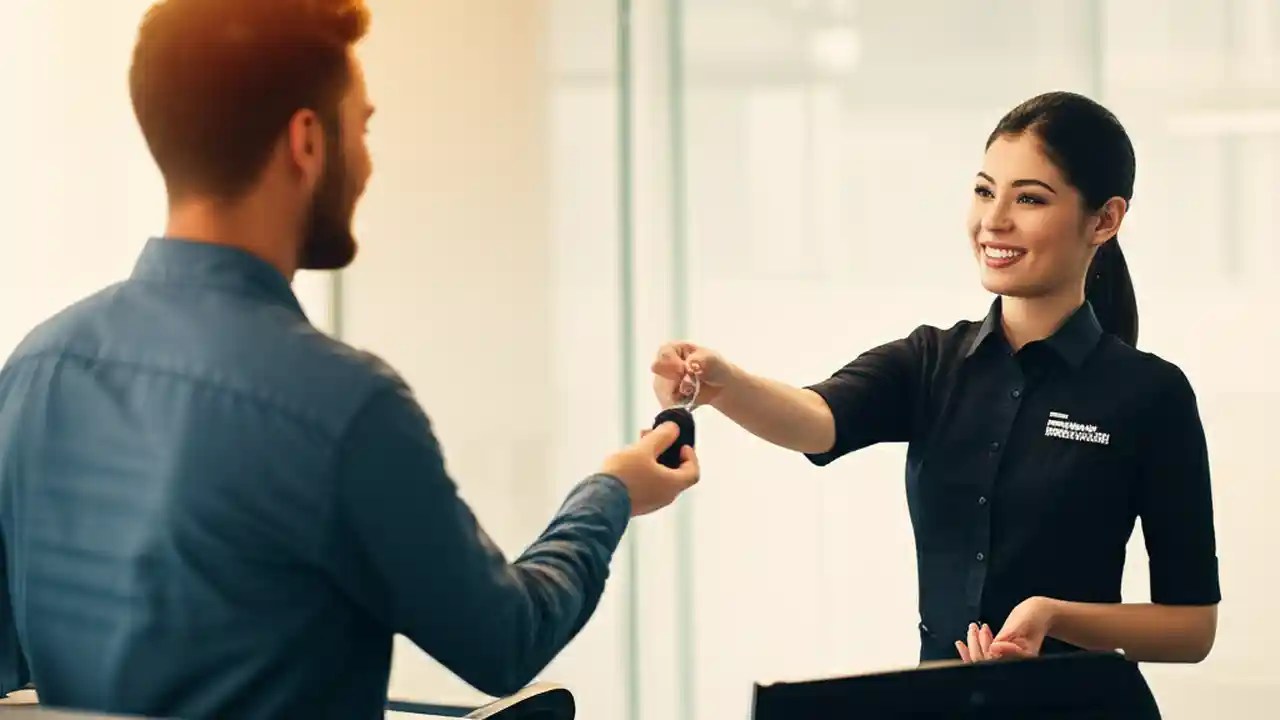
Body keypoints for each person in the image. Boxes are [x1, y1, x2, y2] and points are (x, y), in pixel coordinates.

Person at [0, 1, 698, 718]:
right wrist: (612, 493)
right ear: (307, 141)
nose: (366, 162)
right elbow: (505, 641)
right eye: (361, 128)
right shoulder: (341, 407)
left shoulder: (34, 372)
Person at [652, 91, 1219, 666]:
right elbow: (815, 420)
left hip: (1080, 708)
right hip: (942, 702)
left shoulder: (1152, 395)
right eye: (983, 191)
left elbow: (1192, 629)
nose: (994, 220)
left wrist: (1056, 617)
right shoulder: (931, 361)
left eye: (1029, 198)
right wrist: (724, 386)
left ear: (1104, 219)